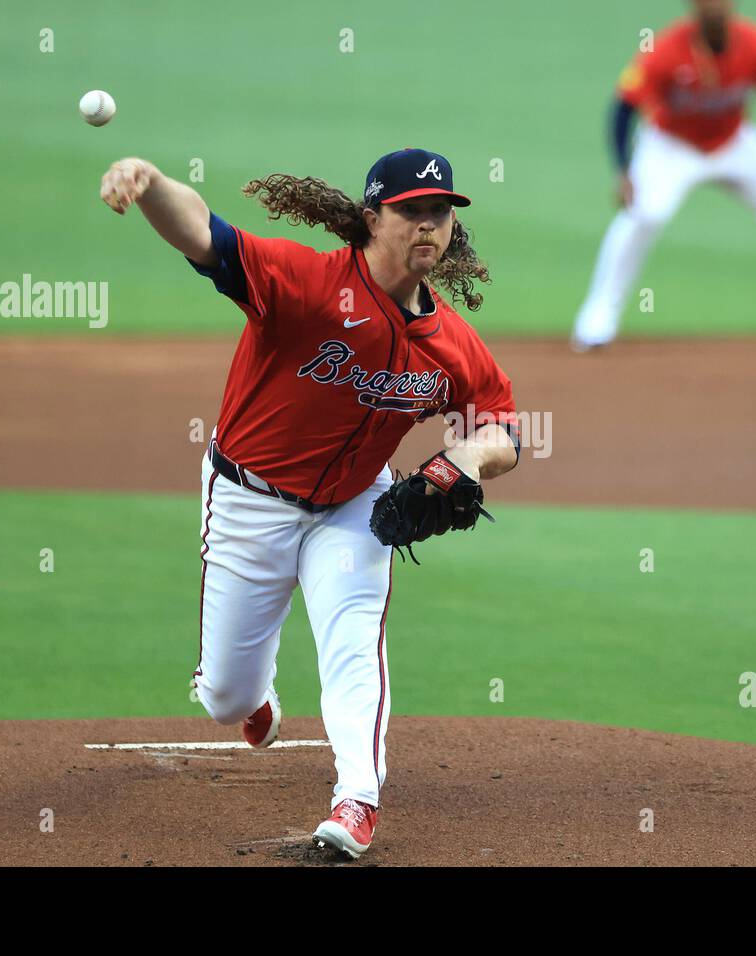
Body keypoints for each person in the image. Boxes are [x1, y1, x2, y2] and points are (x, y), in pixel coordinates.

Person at [98, 147, 520, 859]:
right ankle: (255, 698)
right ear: (370, 218)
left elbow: (503, 426)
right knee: (224, 697)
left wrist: (464, 460)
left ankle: (357, 800)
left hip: (355, 505)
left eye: (439, 212)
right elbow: (207, 235)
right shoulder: (304, 281)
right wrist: (150, 185)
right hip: (247, 500)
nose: (429, 224)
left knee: (355, 644)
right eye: (411, 210)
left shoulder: (450, 343)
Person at [572, 0, 756, 350]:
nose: (714, 6)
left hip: (733, 141)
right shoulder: (665, 49)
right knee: (644, 213)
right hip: (671, 145)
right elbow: (623, 109)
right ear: (693, 7)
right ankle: (598, 316)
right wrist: (623, 169)